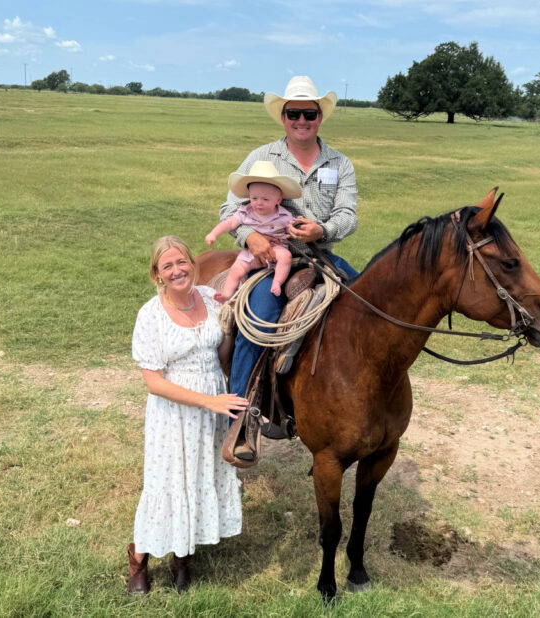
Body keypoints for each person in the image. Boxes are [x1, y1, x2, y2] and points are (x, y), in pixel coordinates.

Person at [219, 75, 358, 404]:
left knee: (367, 311)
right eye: (294, 113)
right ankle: (240, 414)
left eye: (309, 114)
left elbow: (348, 215)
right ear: (283, 117)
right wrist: (250, 235)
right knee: (258, 323)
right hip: (270, 260)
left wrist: (321, 230)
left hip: (321, 256)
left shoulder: (340, 163)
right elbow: (229, 207)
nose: (301, 121)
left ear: (320, 117)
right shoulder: (262, 157)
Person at [127, 235, 249, 595]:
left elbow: (221, 350)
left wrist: (231, 327)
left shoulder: (211, 299)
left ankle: (183, 557)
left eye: (182, 262)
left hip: (214, 404)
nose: (177, 270)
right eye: (168, 266)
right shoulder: (150, 315)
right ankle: (138, 558)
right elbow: (154, 383)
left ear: (192, 265)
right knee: (165, 483)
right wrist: (208, 402)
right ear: (157, 275)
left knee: (199, 477)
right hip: (175, 412)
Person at [206, 161, 302, 302]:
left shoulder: (284, 215)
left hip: (275, 250)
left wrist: (298, 225)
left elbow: (292, 229)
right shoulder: (246, 212)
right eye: (254, 198)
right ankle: (226, 294)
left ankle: (277, 282)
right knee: (236, 270)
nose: (259, 203)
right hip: (250, 251)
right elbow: (230, 222)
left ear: (278, 199)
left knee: (286, 256)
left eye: (265, 199)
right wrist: (214, 234)